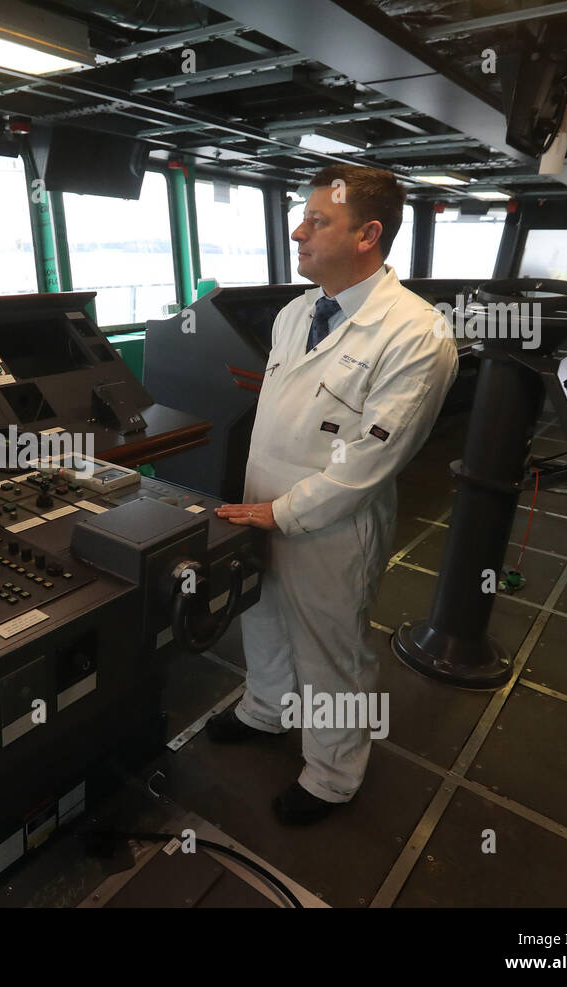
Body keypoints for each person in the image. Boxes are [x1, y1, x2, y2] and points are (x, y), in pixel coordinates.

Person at [209, 165, 458, 825]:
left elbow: (374, 458)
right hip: (260, 502)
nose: (299, 232)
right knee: (260, 616)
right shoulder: (295, 313)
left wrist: (284, 511)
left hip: (333, 524)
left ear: (367, 235)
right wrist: (261, 507)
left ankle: (332, 773)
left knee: (331, 652)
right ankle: (266, 709)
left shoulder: (416, 333)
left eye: (317, 221)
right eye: (302, 218)